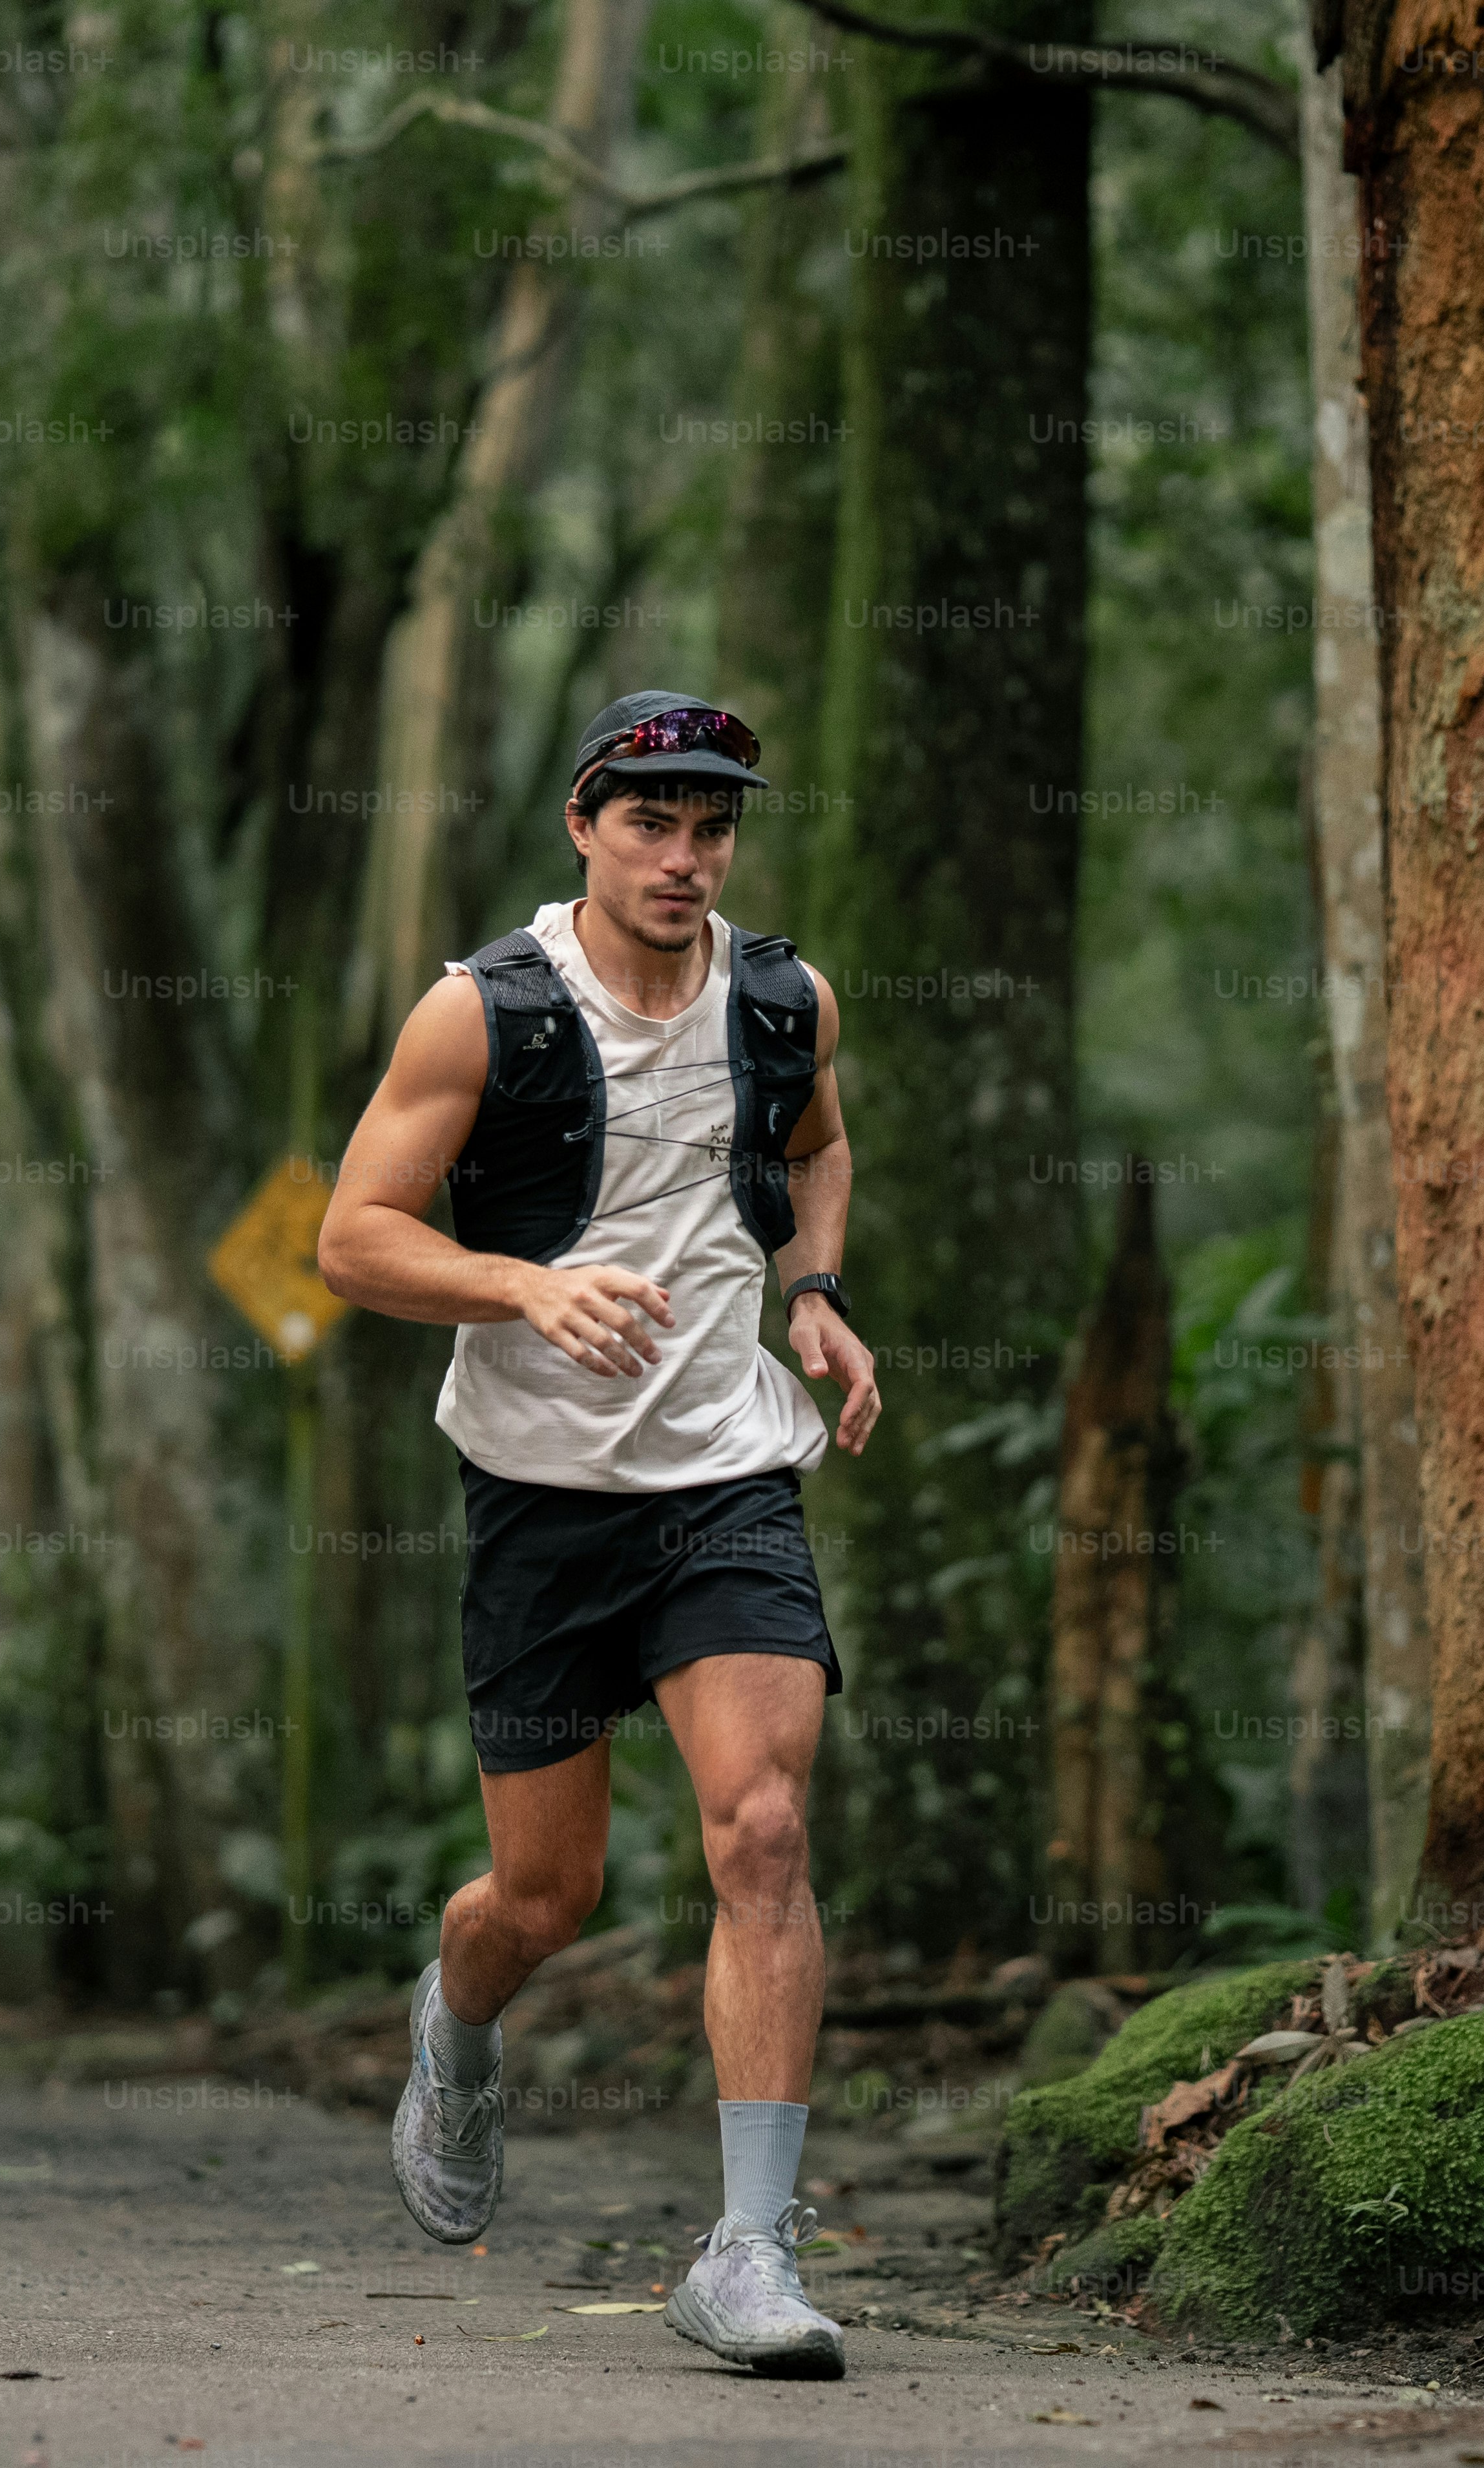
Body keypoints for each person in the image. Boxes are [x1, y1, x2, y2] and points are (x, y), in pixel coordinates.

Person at [316, 692, 882, 2379]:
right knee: (542, 1895)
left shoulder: (784, 998)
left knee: (764, 1831)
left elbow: (822, 1139)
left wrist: (821, 1292)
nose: (685, 857)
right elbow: (351, 1238)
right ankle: (458, 2014)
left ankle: (749, 2250)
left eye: (713, 826)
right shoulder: (480, 1013)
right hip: (543, 1499)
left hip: (725, 1482)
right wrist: (523, 1286)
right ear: (584, 821)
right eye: (651, 822)